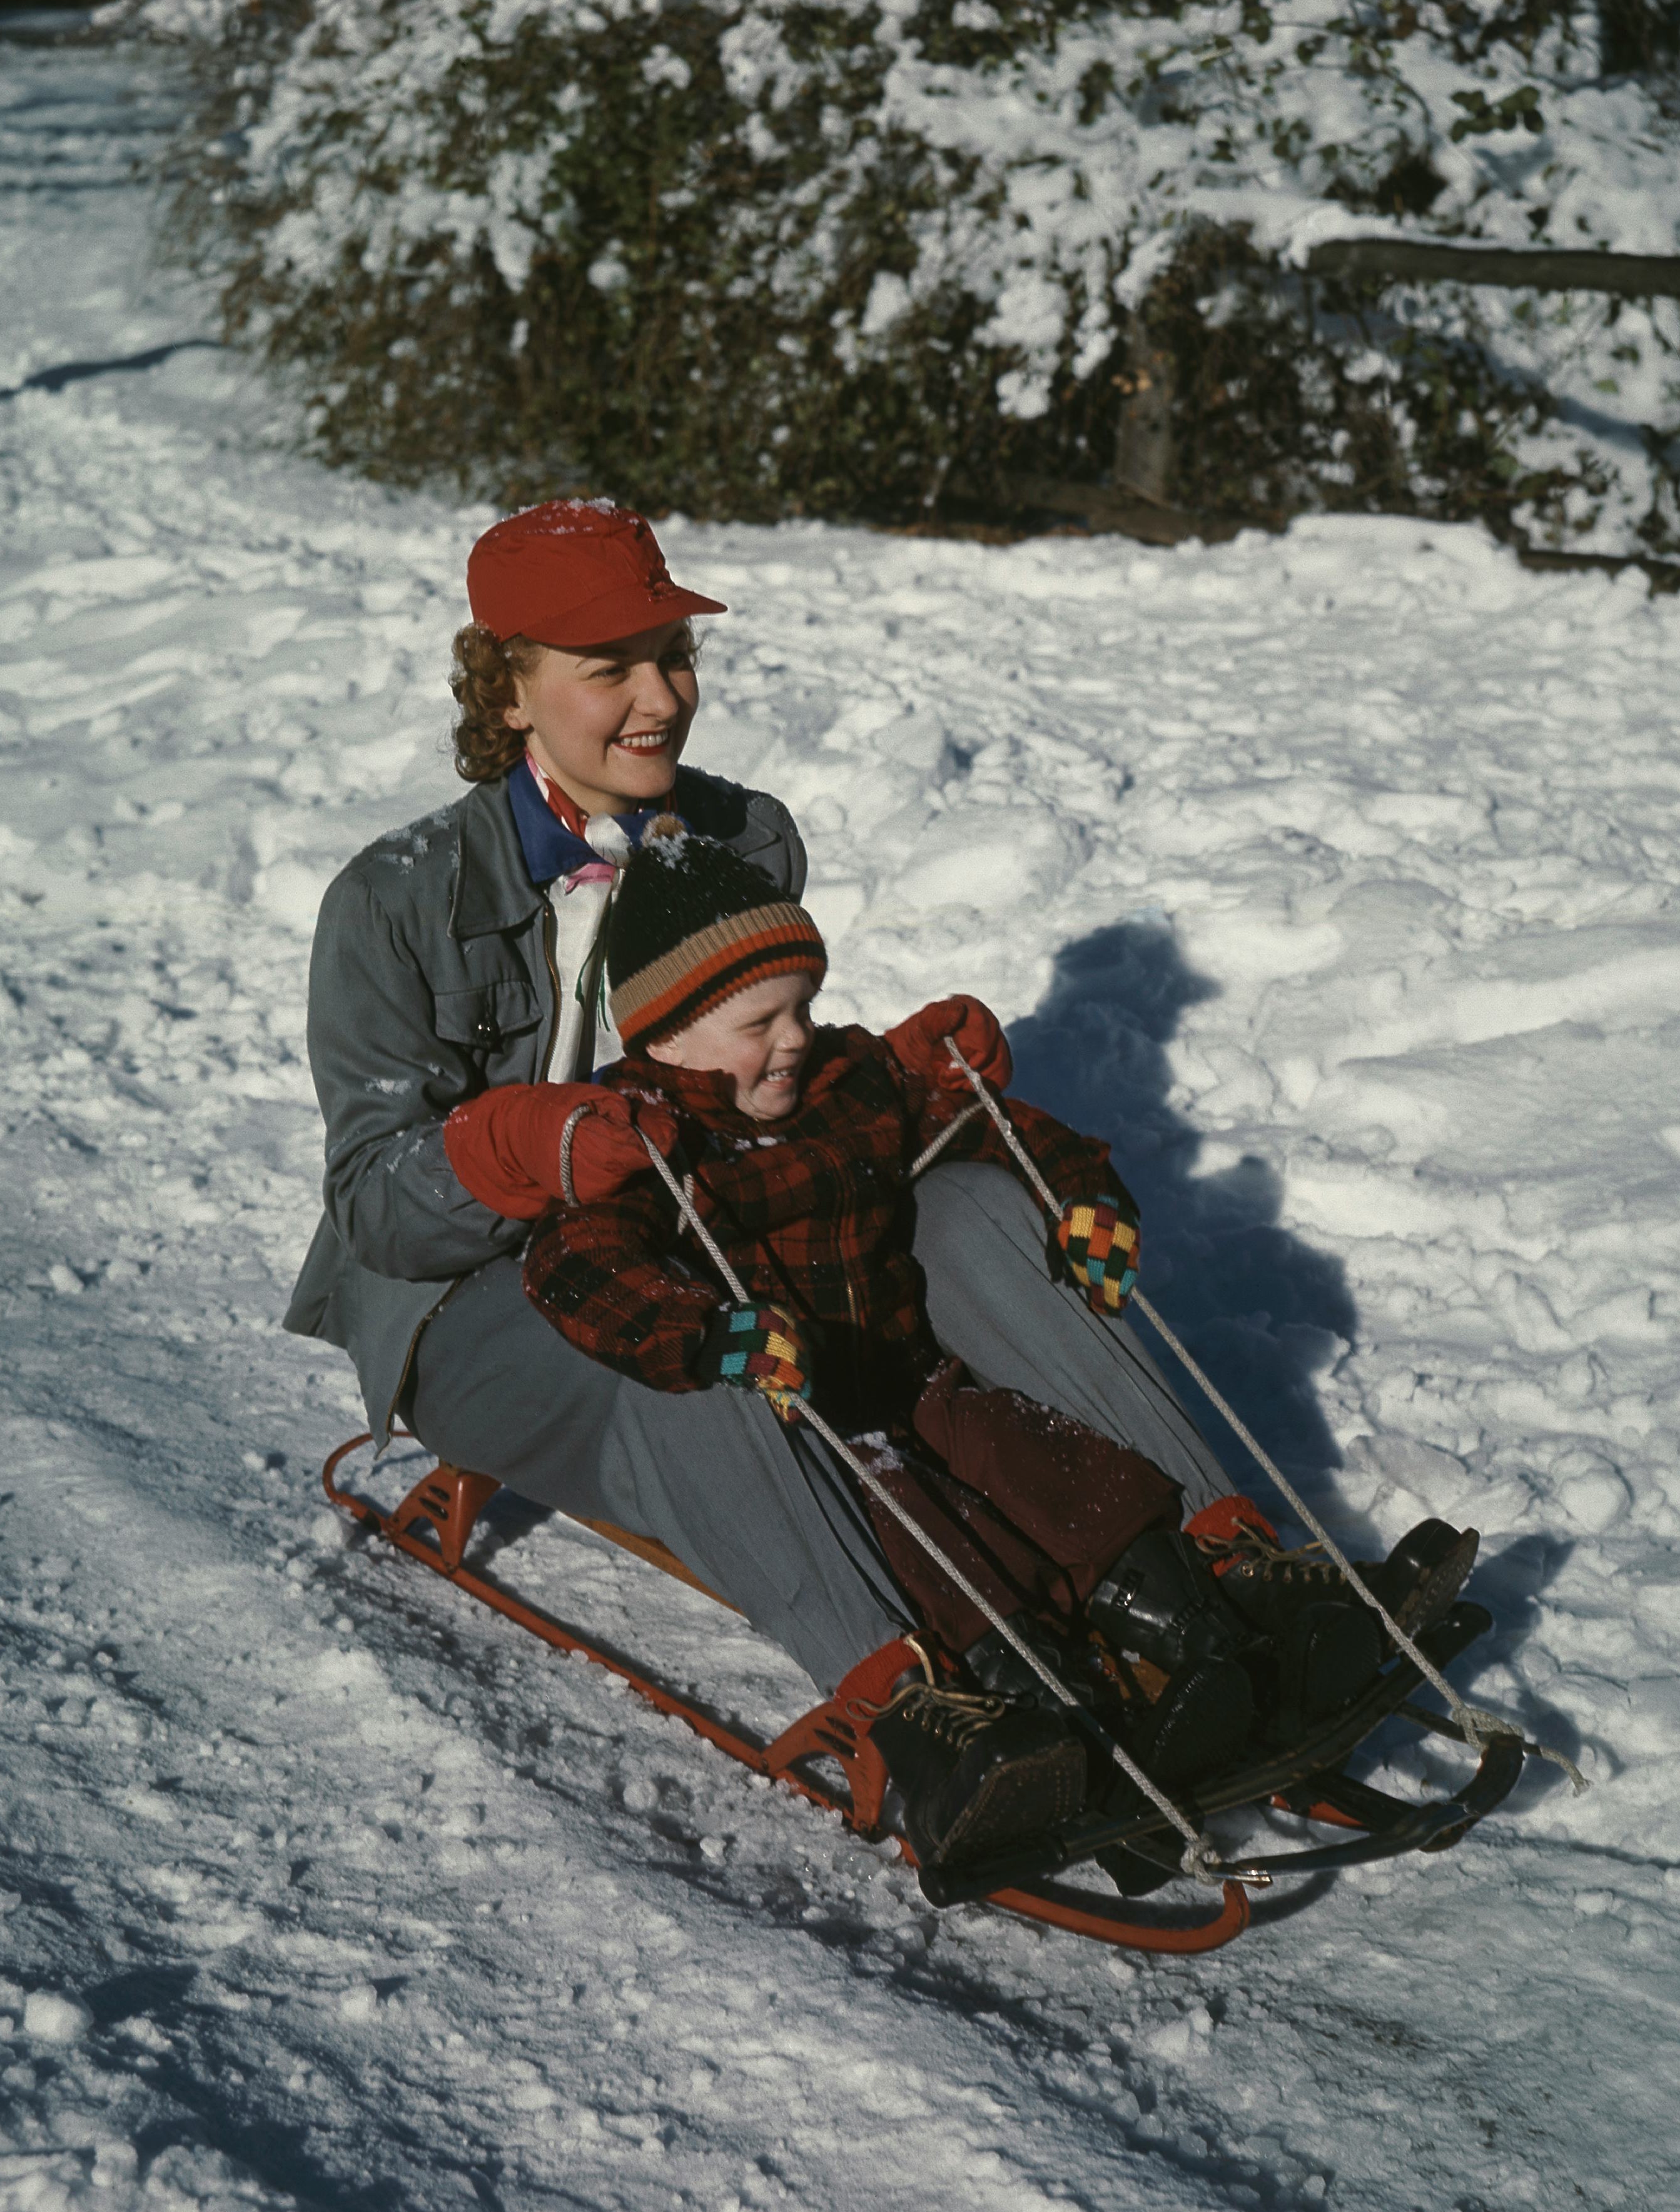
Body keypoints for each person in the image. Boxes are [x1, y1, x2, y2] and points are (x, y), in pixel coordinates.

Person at [284, 498, 1467, 1872]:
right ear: (505, 684)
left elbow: (757, 1047)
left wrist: (878, 1081)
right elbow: (375, 1202)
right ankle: (933, 1712)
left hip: (726, 1216)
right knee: (696, 1356)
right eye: (610, 669)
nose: (662, 697)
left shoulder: (738, 837)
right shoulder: (394, 901)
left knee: (974, 1210)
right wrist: (515, 1148)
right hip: (489, 1291)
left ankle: (1227, 1561)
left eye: (673, 655)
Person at [505, 822, 1477, 1866]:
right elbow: (573, 1263)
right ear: (666, 1034)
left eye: (802, 1007)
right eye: (757, 1021)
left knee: (1065, 1474)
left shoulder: (848, 1080)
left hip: (922, 1382)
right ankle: (1022, 1725)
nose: (792, 1038)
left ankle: (1218, 1628)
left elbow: (996, 1125)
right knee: (940, 1548)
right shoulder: (644, 1135)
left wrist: (1080, 1200)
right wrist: (706, 1332)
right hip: (817, 1429)